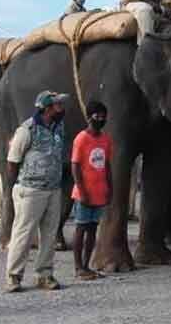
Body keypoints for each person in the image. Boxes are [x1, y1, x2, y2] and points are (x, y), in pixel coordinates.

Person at [4, 90, 69, 293]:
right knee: (23, 233)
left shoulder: (58, 127)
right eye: (58, 105)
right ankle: (13, 276)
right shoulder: (27, 130)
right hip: (30, 190)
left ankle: (45, 274)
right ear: (47, 108)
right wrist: (13, 189)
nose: (62, 108)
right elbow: (12, 162)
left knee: (49, 234)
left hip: (53, 189)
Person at [70, 101, 113, 281]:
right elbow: (75, 166)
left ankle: (87, 265)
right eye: (97, 116)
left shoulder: (106, 139)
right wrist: (82, 191)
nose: (101, 119)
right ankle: (78, 266)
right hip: (84, 193)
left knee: (93, 229)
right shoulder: (81, 138)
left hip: (99, 191)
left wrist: (110, 188)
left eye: (103, 116)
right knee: (81, 228)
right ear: (89, 117)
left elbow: (107, 165)